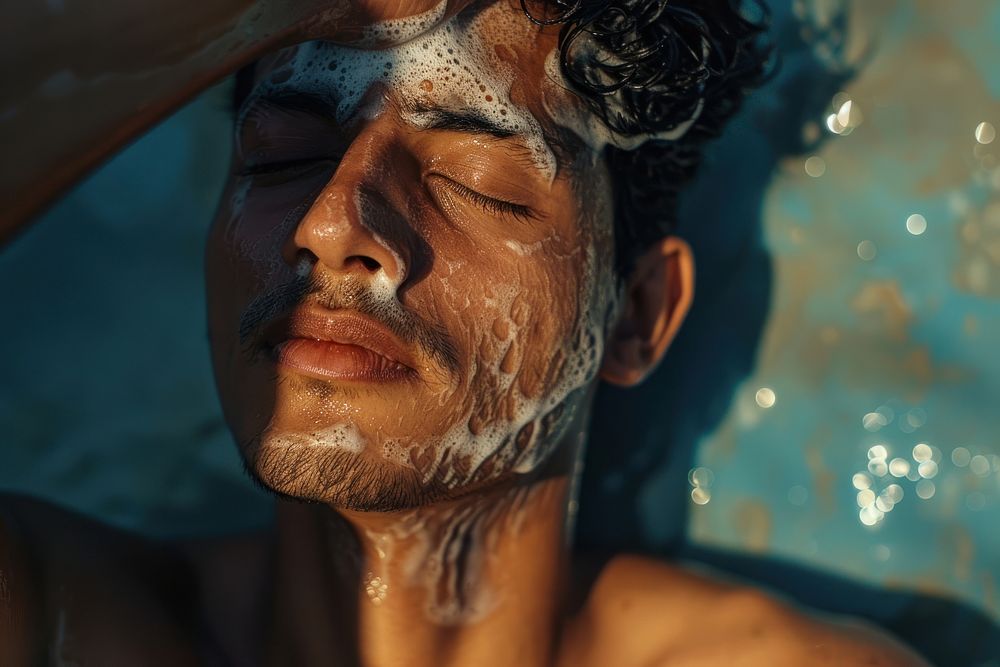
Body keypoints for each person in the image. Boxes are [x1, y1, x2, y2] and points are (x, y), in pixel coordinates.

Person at [0, 0, 930, 664]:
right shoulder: (54, 623)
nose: (327, 225)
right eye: (283, 159)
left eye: (473, 182)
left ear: (634, 314)